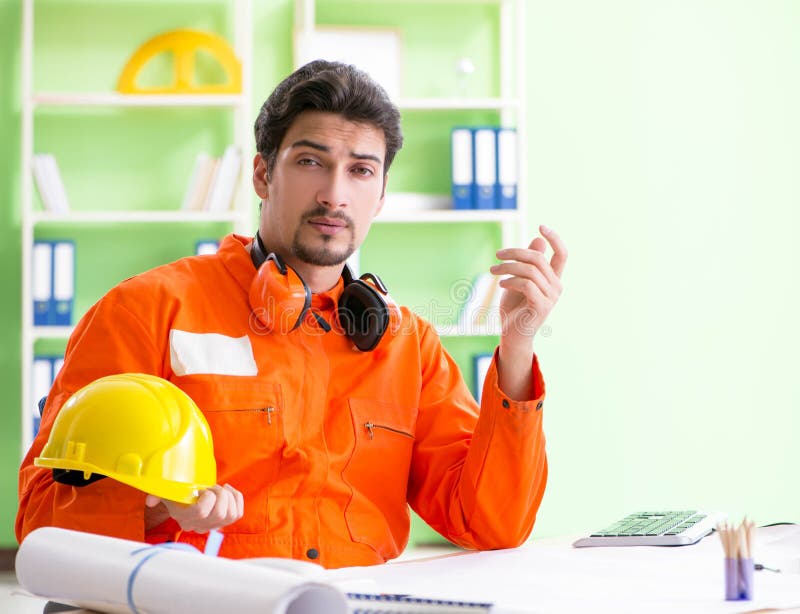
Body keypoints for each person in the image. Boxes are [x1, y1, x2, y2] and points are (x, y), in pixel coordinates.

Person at [17, 60, 567, 568]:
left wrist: (517, 348)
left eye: (360, 171)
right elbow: (43, 519)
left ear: (379, 196)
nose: (335, 194)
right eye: (311, 161)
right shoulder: (146, 312)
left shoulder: (408, 345)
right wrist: (157, 512)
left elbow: (492, 523)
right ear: (262, 175)